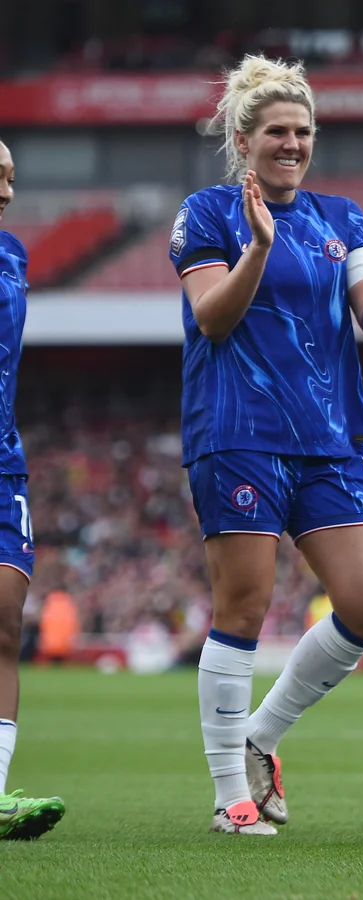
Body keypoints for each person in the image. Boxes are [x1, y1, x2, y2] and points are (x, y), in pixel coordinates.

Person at [169, 55, 363, 835]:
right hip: (238, 430)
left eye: (303, 131)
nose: (292, 143)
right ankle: (230, 797)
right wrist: (257, 246)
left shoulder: (342, 218)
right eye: (277, 131)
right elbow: (212, 318)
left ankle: (261, 735)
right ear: (243, 139)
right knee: (243, 605)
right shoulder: (207, 213)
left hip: (327, 438)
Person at [0, 139, 67, 841]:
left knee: (4, 617)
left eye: (12, 178)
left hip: (3, 466)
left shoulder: (13, 254)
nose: (8, 190)